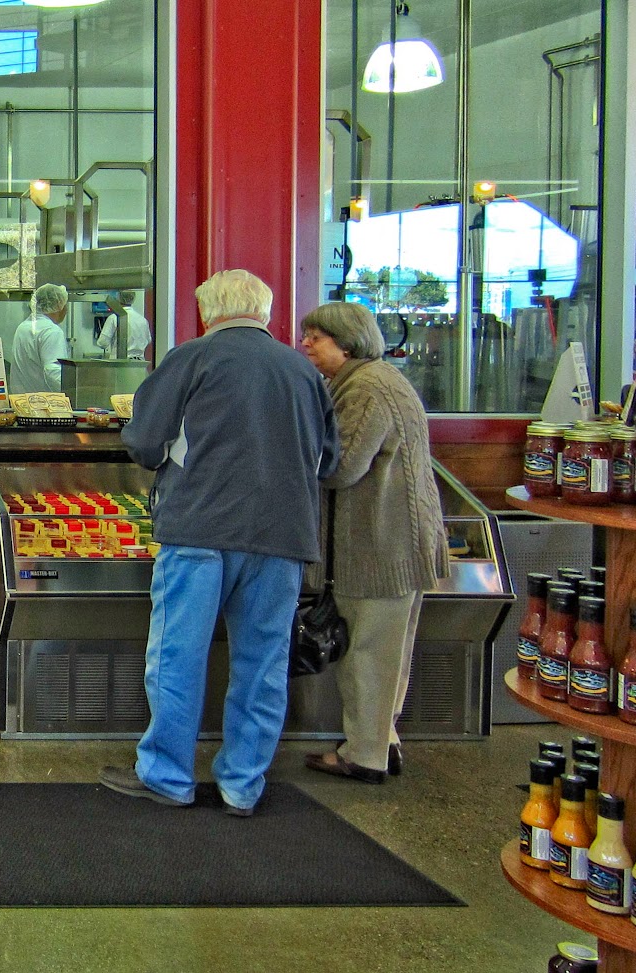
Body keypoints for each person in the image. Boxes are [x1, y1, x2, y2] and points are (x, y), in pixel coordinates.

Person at [100, 269, 339, 816]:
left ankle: (167, 775)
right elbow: (329, 460)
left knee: (177, 655)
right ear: (266, 312)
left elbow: (142, 439)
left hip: (199, 531)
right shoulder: (304, 372)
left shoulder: (192, 357)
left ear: (208, 312)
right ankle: (242, 784)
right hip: (282, 536)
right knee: (263, 662)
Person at [297, 302, 448, 785]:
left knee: (368, 654)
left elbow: (343, 467)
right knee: (386, 653)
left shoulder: (364, 388)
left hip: (381, 547)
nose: (305, 344)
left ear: (347, 343)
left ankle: (363, 755)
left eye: (315, 337)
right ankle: (383, 743)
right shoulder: (377, 380)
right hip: (399, 544)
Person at [9, 283, 71, 393]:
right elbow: (53, 372)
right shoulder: (51, 331)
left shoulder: (23, 327)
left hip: (22, 401)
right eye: (65, 305)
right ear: (58, 306)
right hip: (44, 404)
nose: (66, 310)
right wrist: (72, 392)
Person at [97, 290, 152, 360]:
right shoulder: (143, 320)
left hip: (119, 363)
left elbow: (102, 343)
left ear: (118, 298)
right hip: (139, 363)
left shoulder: (114, 317)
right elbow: (148, 340)